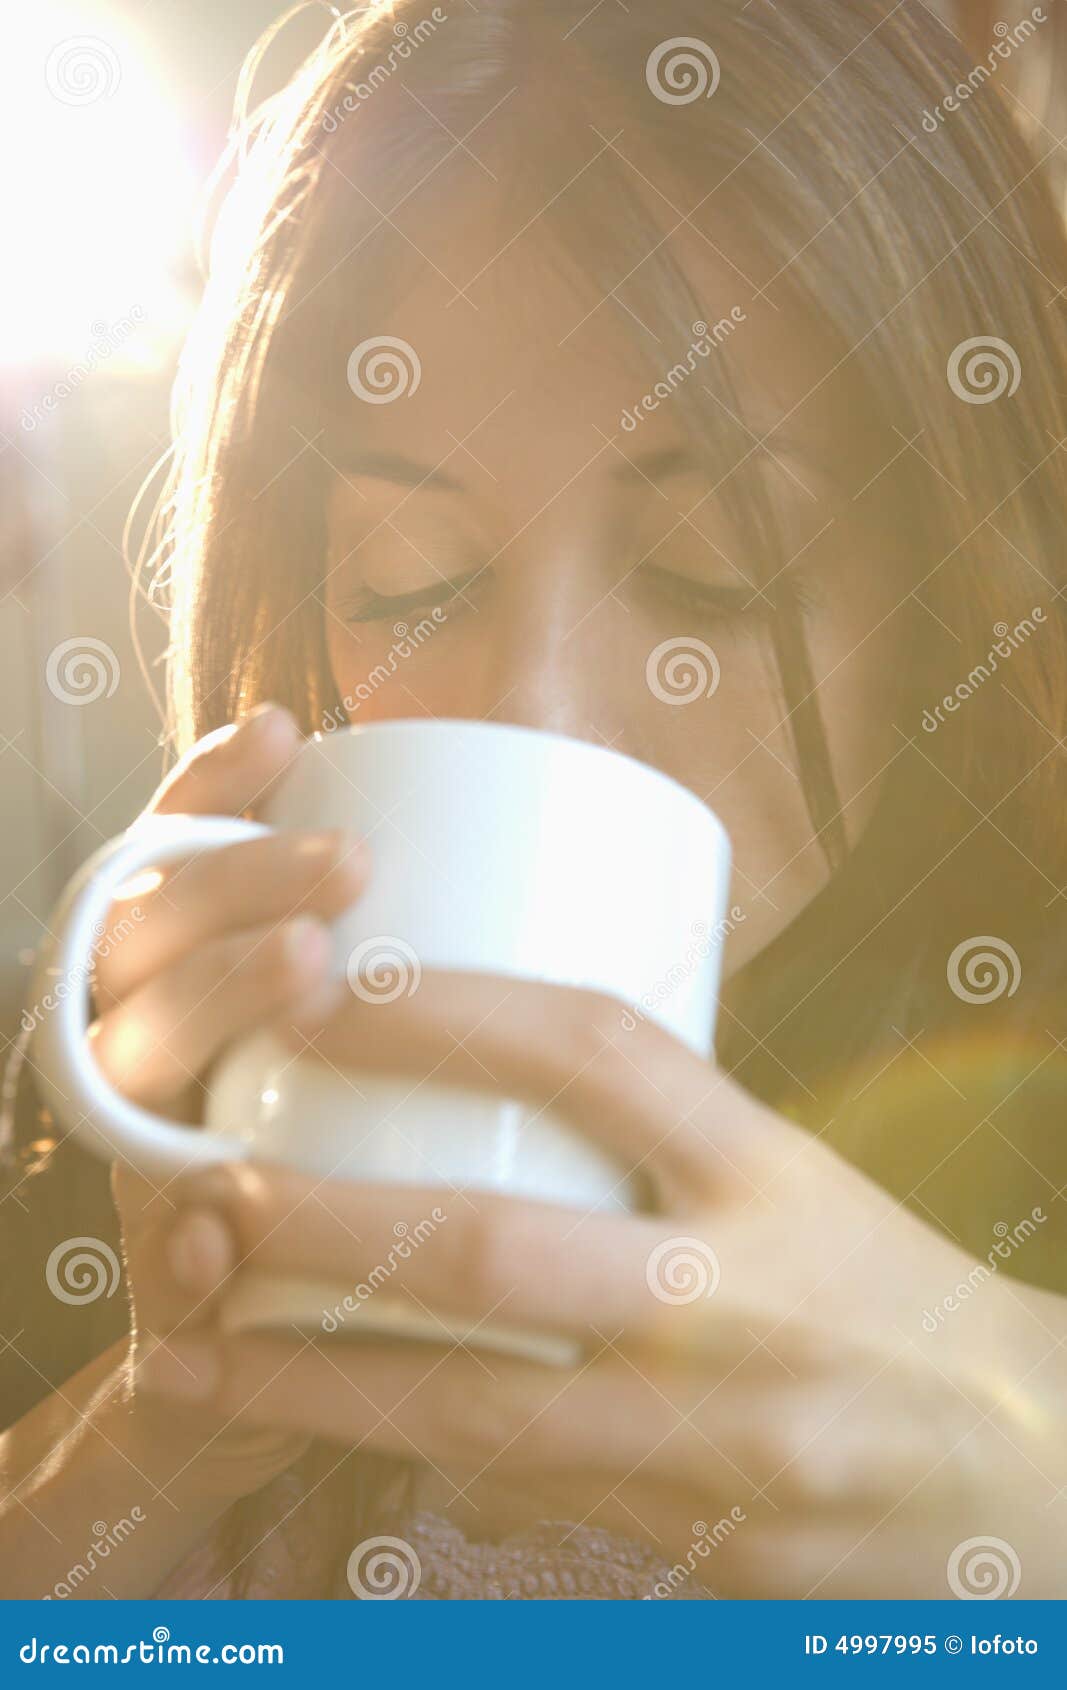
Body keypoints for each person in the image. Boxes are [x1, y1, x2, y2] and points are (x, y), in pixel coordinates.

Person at [2, 0, 1066, 1600]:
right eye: (410, 578)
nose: (541, 707)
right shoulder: (157, 1081)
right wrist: (162, 1425)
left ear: (941, 603)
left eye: (721, 575)